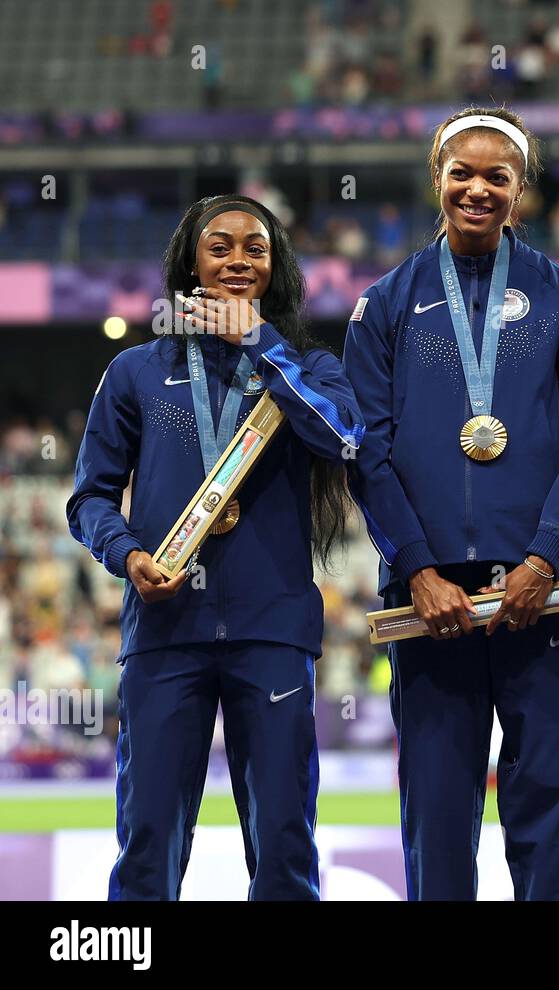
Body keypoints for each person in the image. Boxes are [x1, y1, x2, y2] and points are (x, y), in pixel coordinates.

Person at [344, 108, 559, 901]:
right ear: (436, 177)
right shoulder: (387, 304)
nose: (476, 187)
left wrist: (544, 557)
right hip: (427, 603)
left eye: (496, 175)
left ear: (520, 188)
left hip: (541, 595)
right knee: (437, 807)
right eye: (461, 172)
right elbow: (366, 449)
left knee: (547, 801)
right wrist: (417, 568)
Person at [67, 194, 365, 900]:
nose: (238, 260)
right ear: (190, 263)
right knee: (149, 839)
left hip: (273, 630)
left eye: (255, 249)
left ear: (275, 267)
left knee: (286, 841)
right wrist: (126, 554)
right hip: (166, 631)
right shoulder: (137, 371)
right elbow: (89, 499)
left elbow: (343, 439)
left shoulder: (308, 368)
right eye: (220, 247)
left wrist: (261, 343)